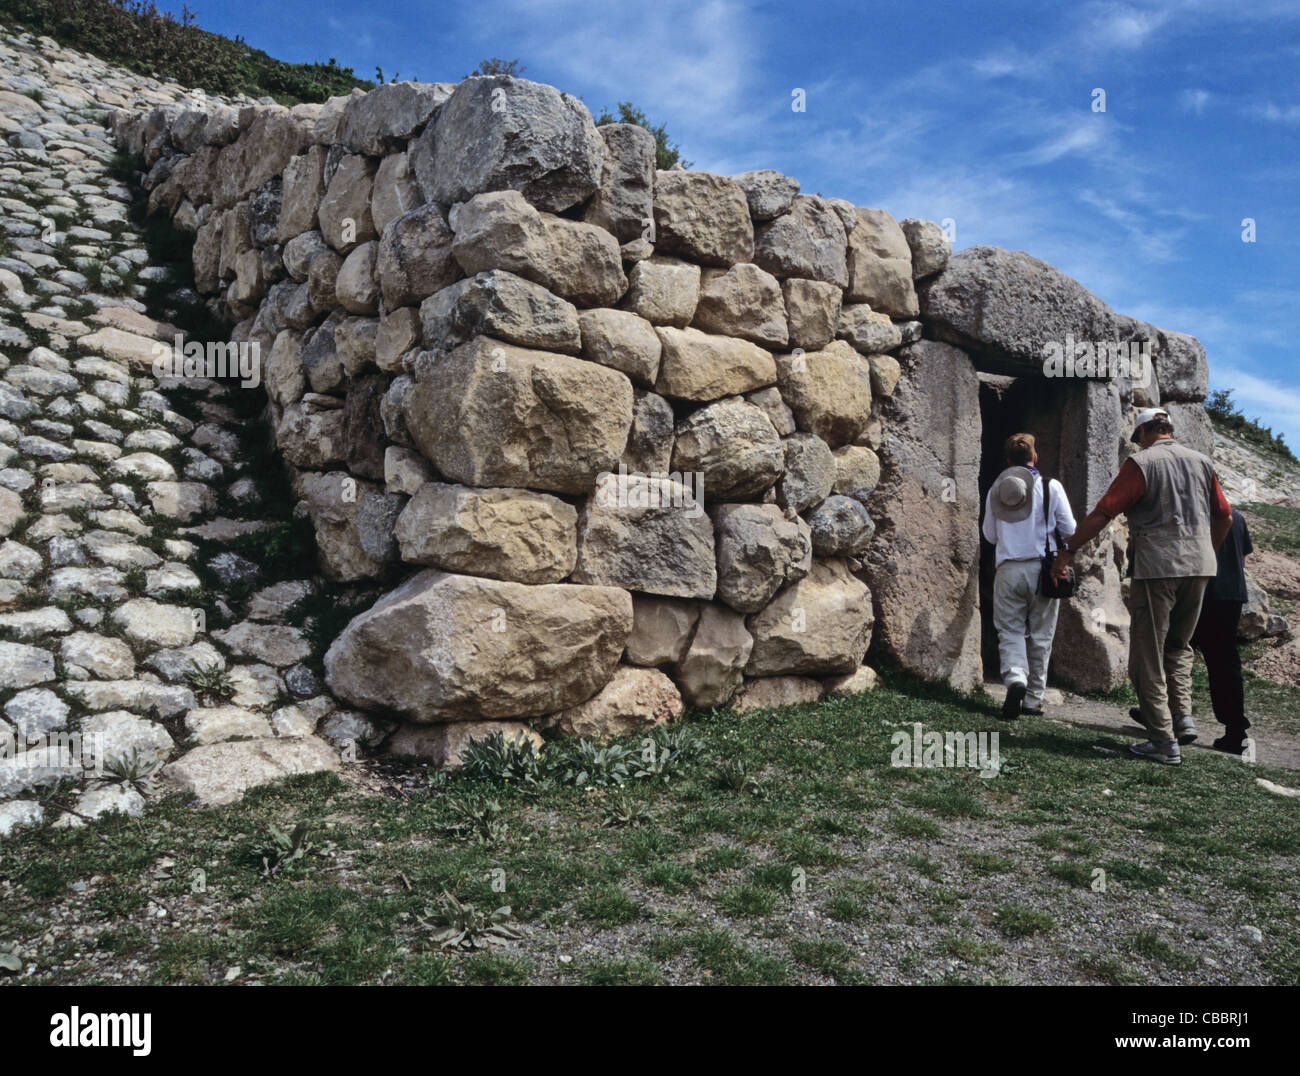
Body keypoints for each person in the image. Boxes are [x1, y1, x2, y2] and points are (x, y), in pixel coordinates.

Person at [1053, 408, 1233, 764]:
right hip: (1200, 568)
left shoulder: (1142, 464)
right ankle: (1182, 719)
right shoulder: (1201, 462)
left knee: (1146, 655)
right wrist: (1206, 551)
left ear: (1145, 433)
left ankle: (1163, 741)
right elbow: (1224, 515)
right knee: (1179, 647)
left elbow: (1105, 512)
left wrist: (1069, 550)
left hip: (1158, 568)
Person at [982, 433, 1077, 721]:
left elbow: (989, 535)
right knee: (1041, 635)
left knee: (1009, 630)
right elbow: (1070, 528)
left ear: (1009, 461)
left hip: (1008, 570)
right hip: (1043, 570)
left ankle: (1015, 680)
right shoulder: (1051, 487)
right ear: (1034, 458)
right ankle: (1034, 699)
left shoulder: (996, 490)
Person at [1192, 508, 1254, 754]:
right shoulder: (1237, 516)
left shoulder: (1195, 514)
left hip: (1201, 592)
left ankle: (1162, 714)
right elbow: (1244, 552)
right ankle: (1235, 730)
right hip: (1232, 594)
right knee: (1225, 663)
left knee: (1176, 652)